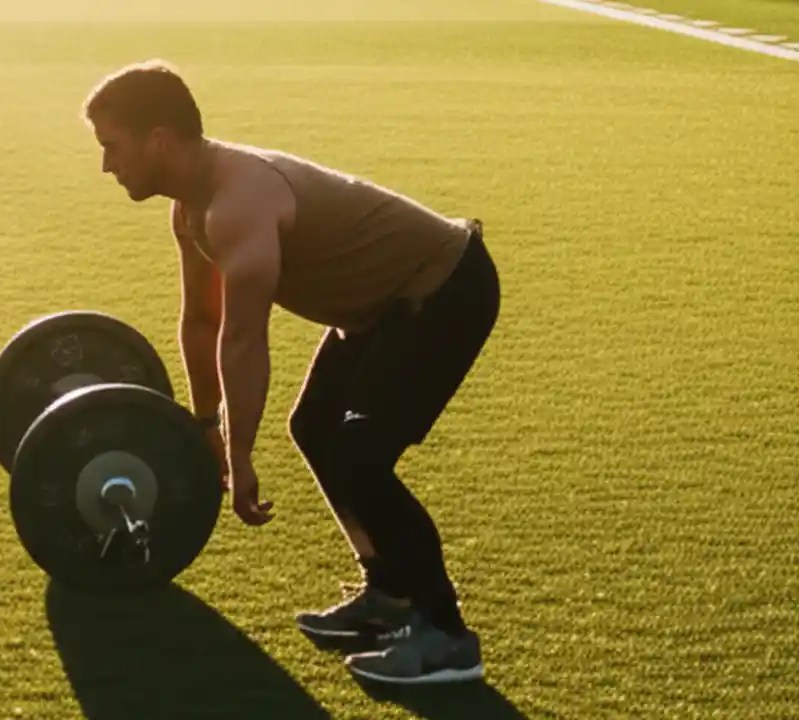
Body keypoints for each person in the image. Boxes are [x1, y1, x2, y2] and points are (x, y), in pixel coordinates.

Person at [80, 59, 501, 685]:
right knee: (314, 426)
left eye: (112, 147)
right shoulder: (191, 211)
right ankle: (388, 594)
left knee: (360, 453)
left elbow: (244, 339)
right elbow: (201, 322)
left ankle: (445, 635)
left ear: (159, 141)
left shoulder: (238, 204)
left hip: (446, 288)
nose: (107, 165)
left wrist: (242, 453)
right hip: (380, 306)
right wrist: (207, 426)